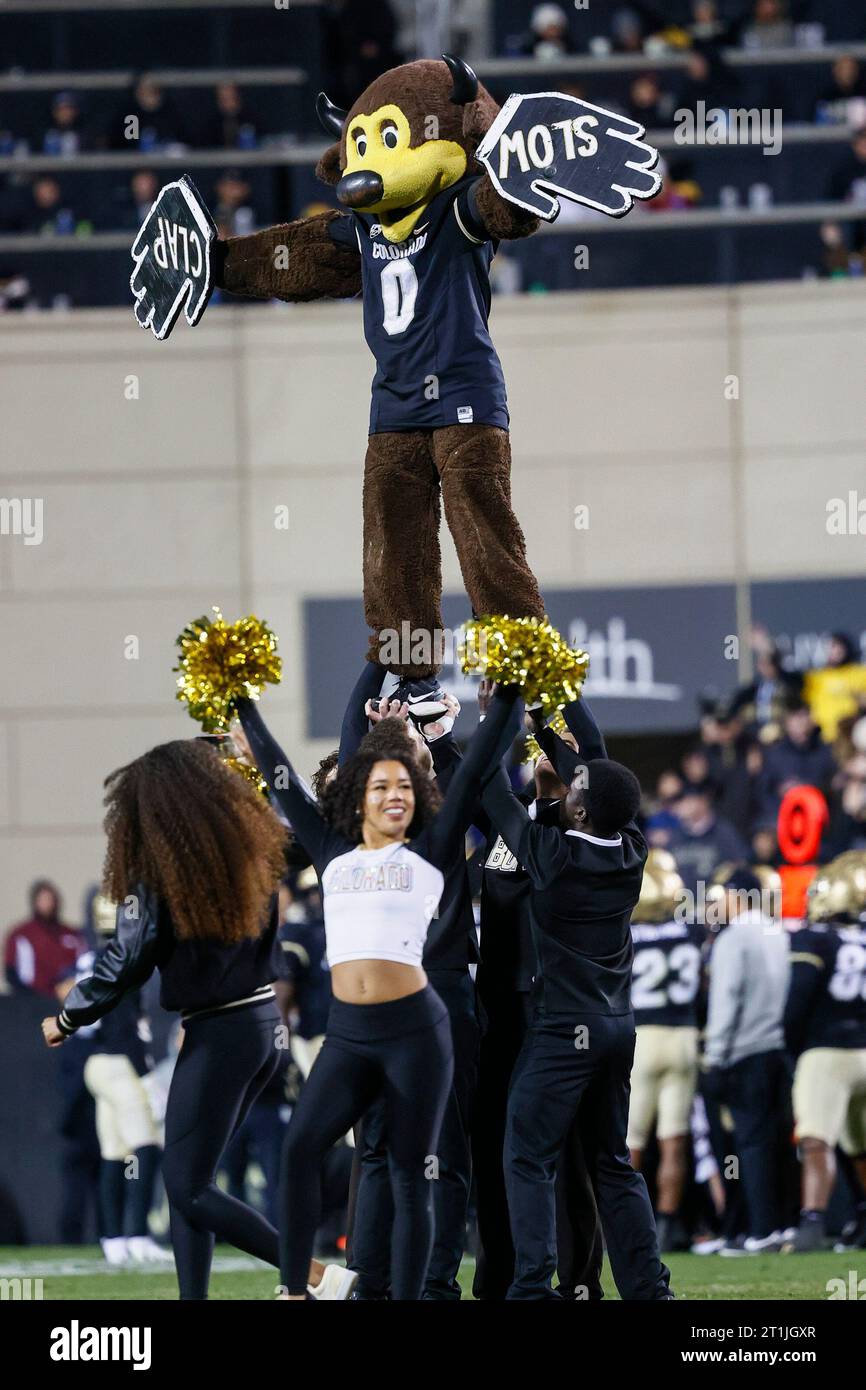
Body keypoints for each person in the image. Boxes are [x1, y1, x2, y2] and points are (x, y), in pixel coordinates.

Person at [236, 682, 521, 1300]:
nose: (393, 795)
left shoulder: (431, 847)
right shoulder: (331, 850)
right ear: (354, 797)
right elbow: (283, 777)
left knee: (417, 1169)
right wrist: (241, 703)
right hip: (349, 1032)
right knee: (303, 1149)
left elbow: (473, 771)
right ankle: (306, 1288)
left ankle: (423, 1292)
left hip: (418, 1028)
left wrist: (511, 693)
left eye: (403, 787)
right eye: (379, 786)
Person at [39, 737, 334, 1299]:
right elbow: (312, 841)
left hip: (222, 1029)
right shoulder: (247, 845)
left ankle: (310, 1272)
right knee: (189, 1183)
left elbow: (127, 958)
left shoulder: (160, 869)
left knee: (187, 1185)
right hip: (262, 1025)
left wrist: (68, 1017)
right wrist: (261, 781)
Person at [479, 697, 671, 1300]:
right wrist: (553, 706)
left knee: (527, 1156)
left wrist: (502, 714)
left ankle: (532, 1288)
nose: (568, 769)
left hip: (564, 1029)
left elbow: (484, 783)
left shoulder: (550, 854)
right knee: (613, 1163)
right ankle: (649, 1290)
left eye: (574, 781)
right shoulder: (633, 849)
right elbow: (597, 758)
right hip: (618, 1027)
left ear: (578, 806)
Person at [465, 687, 603, 1301]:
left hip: (559, 1012)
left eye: (569, 748)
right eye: (555, 744)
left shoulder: (592, 825)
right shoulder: (508, 817)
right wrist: (496, 711)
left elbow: (592, 752)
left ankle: (576, 1284)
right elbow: (472, 773)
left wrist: (555, 705)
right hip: (498, 1010)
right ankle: (501, 1278)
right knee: (499, 1152)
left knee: (569, 1154)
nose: (562, 752)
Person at [56, 892, 167, 1267]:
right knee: (146, 1146)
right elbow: (122, 1024)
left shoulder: (90, 957)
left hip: (96, 1061)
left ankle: (113, 1237)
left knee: (115, 1151)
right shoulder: (119, 958)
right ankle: (136, 1233)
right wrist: (147, 1074)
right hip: (117, 1060)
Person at [701, 868, 792, 1254]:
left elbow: (726, 1000)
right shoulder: (779, 931)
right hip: (777, 1050)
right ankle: (777, 1224)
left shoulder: (734, 938)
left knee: (747, 1145)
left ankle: (759, 1230)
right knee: (772, 1140)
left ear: (737, 895)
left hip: (741, 1052)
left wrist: (714, 1056)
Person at [783, 853, 866, 1253]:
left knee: (817, 1140)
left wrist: (792, 1046)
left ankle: (813, 1224)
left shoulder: (814, 937)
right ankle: (863, 1217)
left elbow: (797, 1001)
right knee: (860, 1143)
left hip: (826, 1050)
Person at [628, 852, 705, 1253]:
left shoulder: (629, 933)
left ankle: (621, 1227)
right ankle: (667, 1225)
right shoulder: (690, 931)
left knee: (631, 1142)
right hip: (685, 1037)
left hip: (644, 1037)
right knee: (674, 1140)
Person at [5, 881, 83, 997]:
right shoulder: (21, 934)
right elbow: (11, 972)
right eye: (43, 900)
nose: (48, 904)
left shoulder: (73, 935)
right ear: (35, 902)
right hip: (32, 1000)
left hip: (68, 999)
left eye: (50, 900)